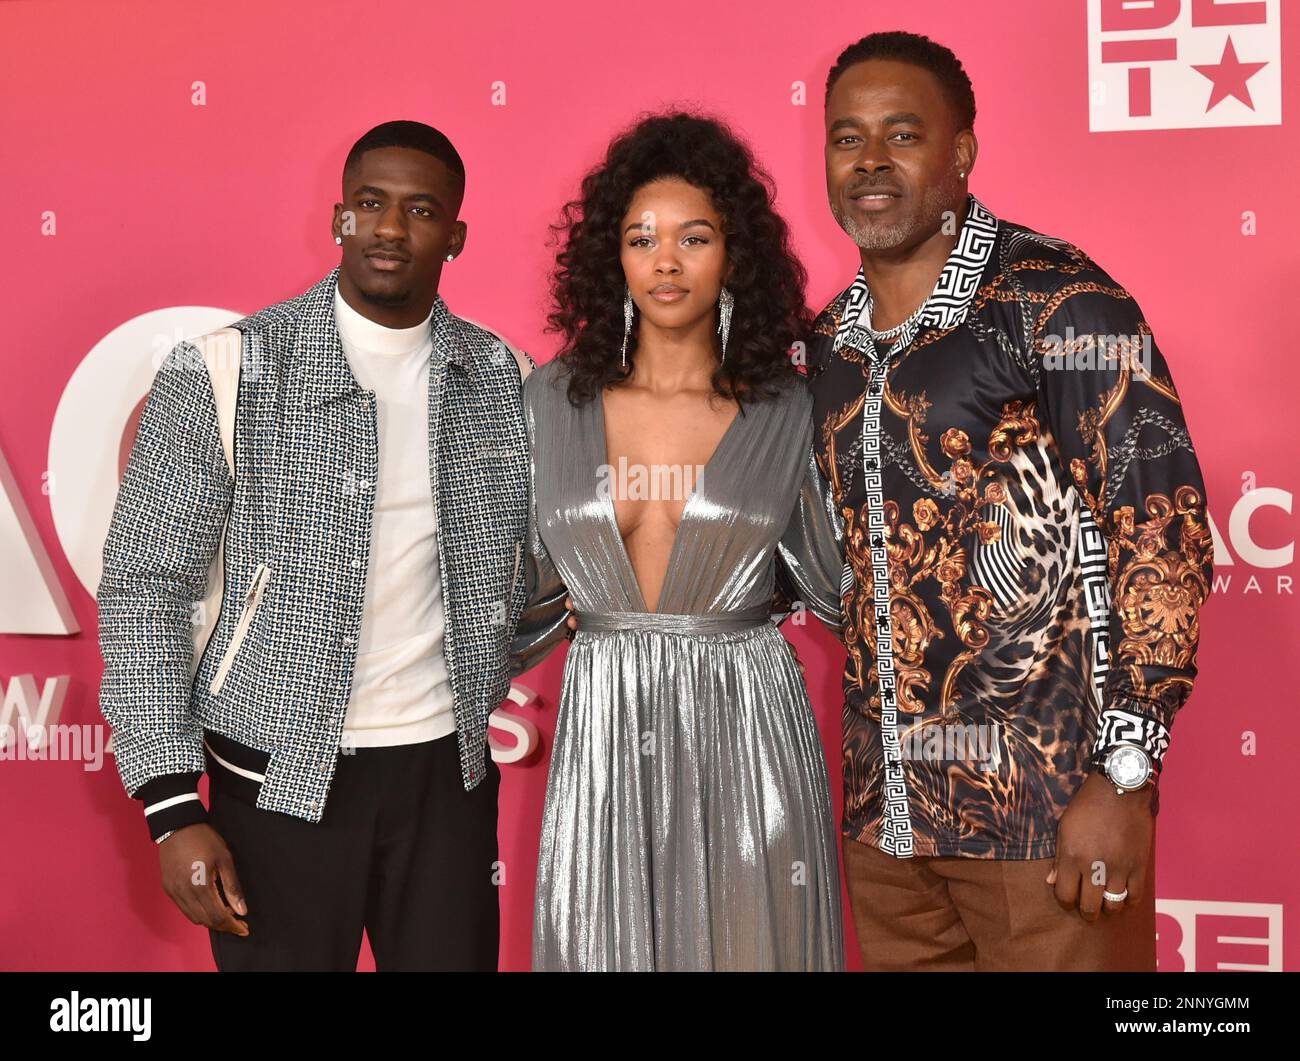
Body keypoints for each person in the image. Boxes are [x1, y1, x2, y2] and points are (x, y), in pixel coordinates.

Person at [800, 31, 1214, 970]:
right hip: (888, 826)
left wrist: (1124, 778)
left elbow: (1164, 534)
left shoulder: (1059, 303)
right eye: (845, 138)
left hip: (1048, 818)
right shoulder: (828, 343)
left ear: (961, 152)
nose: (869, 162)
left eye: (902, 135)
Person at [97, 120, 534, 971]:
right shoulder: (226, 368)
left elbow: (539, 567)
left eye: (420, 210)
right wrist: (171, 805)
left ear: (457, 234)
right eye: (369, 204)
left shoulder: (503, 377)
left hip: (448, 781)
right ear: (339, 217)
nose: (390, 229)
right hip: (275, 782)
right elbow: (145, 585)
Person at [510, 112, 846, 971]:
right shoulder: (549, 402)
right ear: (612, 258)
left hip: (748, 721)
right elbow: (502, 589)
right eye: (642, 238)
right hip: (603, 722)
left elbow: (846, 588)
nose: (666, 261)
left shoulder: (788, 410)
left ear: (735, 254)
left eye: (694, 237)